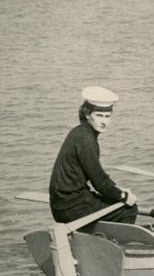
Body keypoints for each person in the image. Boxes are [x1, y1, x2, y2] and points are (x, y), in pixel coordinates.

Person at [49, 86, 138, 229]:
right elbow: (100, 183)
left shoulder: (78, 133)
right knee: (128, 210)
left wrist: (117, 190)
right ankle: (113, 248)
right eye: (99, 115)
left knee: (111, 200)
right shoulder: (87, 141)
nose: (104, 122)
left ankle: (94, 236)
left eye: (108, 116)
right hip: (73, 208)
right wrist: (124, 196)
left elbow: (98, 178)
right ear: (87, 114)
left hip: (60, 205)